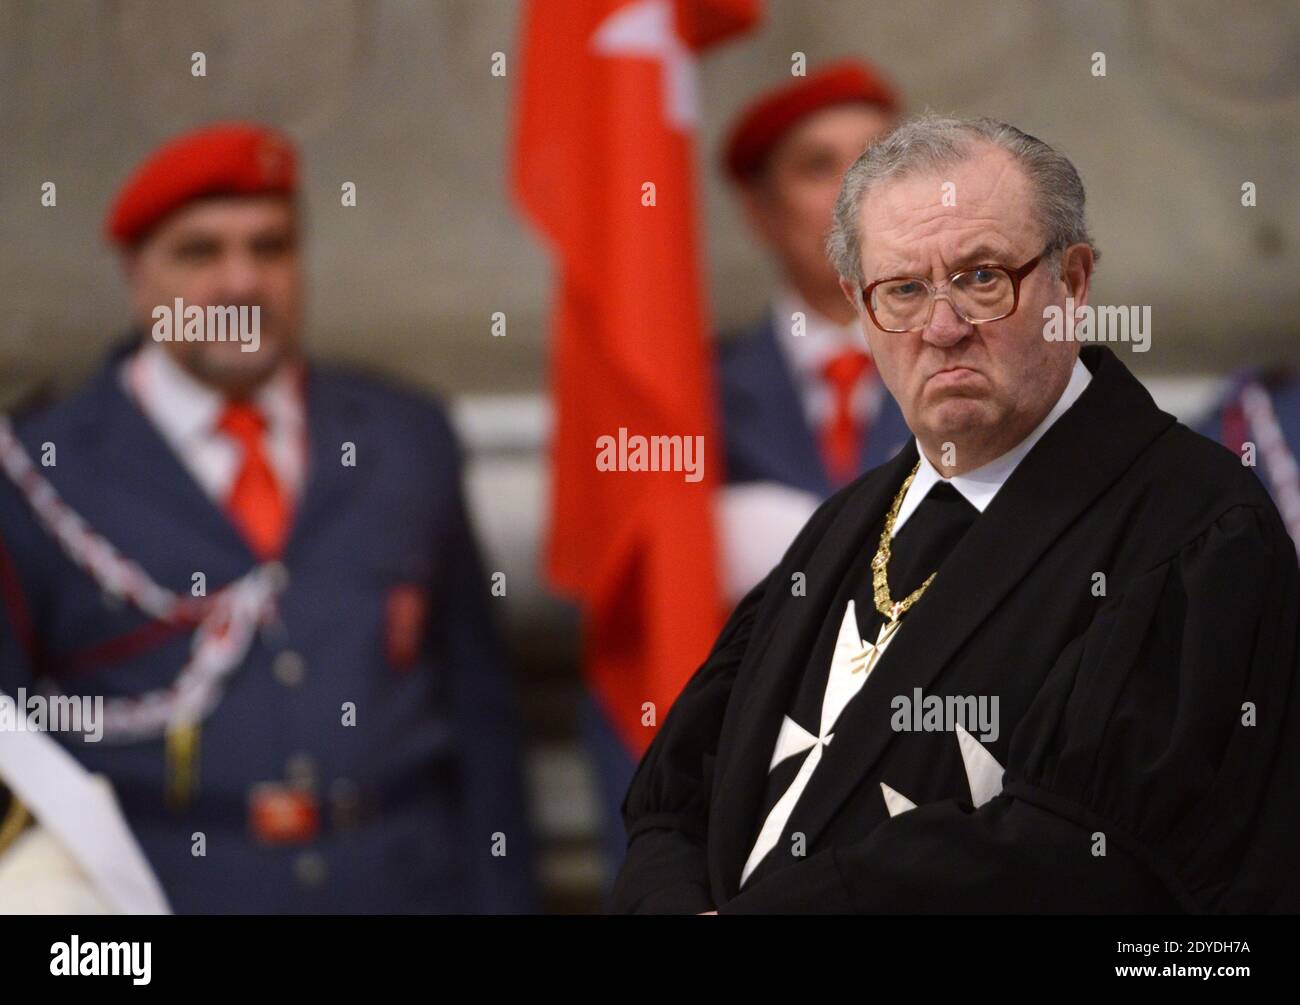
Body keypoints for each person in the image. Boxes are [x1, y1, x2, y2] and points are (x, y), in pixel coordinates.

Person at [612, 114, 1300, 913]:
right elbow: (676, 798)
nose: (942, 329)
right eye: (902, 289)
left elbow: (1083, 861)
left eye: (980, 278)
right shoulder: (840, 528)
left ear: (1072, 284)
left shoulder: (1195, 529)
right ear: (858, 307)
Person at [0, 122, 535, 913]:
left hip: (403, 880)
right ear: (136, 275)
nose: (241, 281)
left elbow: (481, 714)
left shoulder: (402, 436)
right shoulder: (39, 469)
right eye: (199, 252)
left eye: (271, 246)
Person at [716, 59, 910, 603]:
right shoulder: (695, 396)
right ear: (760, 211)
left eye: (880, 161)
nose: (857, 191)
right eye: (818, 166)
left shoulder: (994, 372)